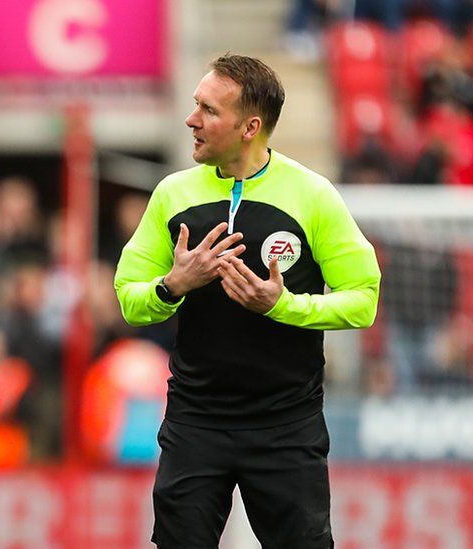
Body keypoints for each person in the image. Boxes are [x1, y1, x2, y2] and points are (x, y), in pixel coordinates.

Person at [114, 54, 381, 548]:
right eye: (195, 105)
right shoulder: (173, 194)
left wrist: (282, 305)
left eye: (209, 111)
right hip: (196, 421)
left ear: (249, 126)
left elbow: (363, 300)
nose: (192, 119)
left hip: (286, 424)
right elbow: (129, 299)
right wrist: (173, 285)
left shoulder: (313, 196)